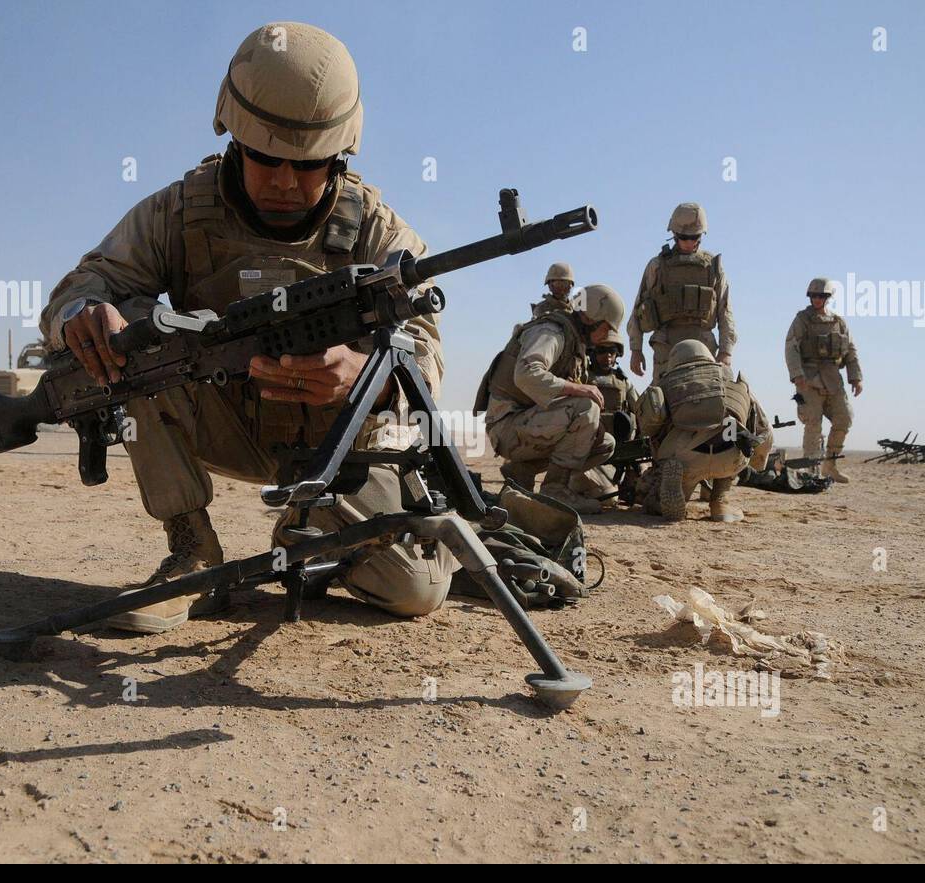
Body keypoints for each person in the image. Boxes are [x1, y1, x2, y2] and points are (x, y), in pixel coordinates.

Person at [38, 22, 454, 632]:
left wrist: (369, 375)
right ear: (233, 137)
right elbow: (82, 286)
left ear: (339, 153)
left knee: (413, 591)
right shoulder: (178, 210)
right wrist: (82, 315)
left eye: (308, 164)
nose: (286, 181)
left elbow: (427, 358)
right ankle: (191, 552)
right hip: (221, 419)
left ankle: (312, 531)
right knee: (131, 343)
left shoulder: (380, 234)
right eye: (266, 159)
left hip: (338, 447)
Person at [478, 284, 625, 514]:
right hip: (507, 427)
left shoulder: (575, 342)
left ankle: (523, 470)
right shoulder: (551, 331)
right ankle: (554, 490)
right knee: (585, 407)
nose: (606, 336)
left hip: (527, 424)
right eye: (606, 328)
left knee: (604, 444)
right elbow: (526, 374)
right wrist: (578, 389)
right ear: (591, 317)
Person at [633, 340, 771, 522]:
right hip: (729, 454)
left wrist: (659, 463)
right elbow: (764, 431)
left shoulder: (665, 383)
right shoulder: (732, 380)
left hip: (685, 456)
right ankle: (720, 502)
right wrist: (756, 462)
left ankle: (666, 498)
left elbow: (650, 431)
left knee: (656, 500)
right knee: (735, 438)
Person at [627, 202, 737, 384]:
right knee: (663, 403)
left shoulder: (713, 267)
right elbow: (639, 309)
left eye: (694, 237)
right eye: (684, 237)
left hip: (704, 346)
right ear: (674, 235)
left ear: (701, 236)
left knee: (704, 400)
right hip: (666, 346)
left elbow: (725, 311)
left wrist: (726, 351)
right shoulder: (657, 265)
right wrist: (635, 350)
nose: (689, 242)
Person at [785, 277, 863, 483]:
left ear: (828, 298)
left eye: (821, 296)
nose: (817, 299)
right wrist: (797, 374)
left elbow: (851, 351)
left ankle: (831, 465)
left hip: (833, 379)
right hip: (809, 378)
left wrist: (855, 377)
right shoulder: (802, 319)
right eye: (813, 296)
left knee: (844, 418)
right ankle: (811, 471)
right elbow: (791, 346)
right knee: (813, 424)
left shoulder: (838, 322)